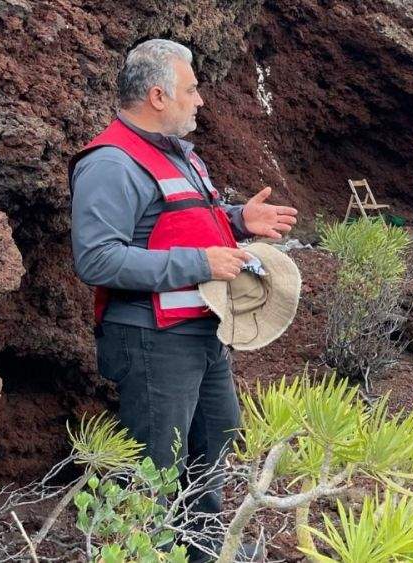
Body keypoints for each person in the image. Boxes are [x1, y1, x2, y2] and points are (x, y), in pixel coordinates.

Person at [70, 38, 297, 558]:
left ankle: (205, 550)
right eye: (191, 90)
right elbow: (97, 260)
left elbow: (176, 225)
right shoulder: (111, 163)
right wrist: (203, 263)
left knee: (214, 445)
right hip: (152, 343)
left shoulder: (178, 155)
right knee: (155, 472)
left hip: (200, 333)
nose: (200, 101)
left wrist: (239, 221)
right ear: (157, 95)